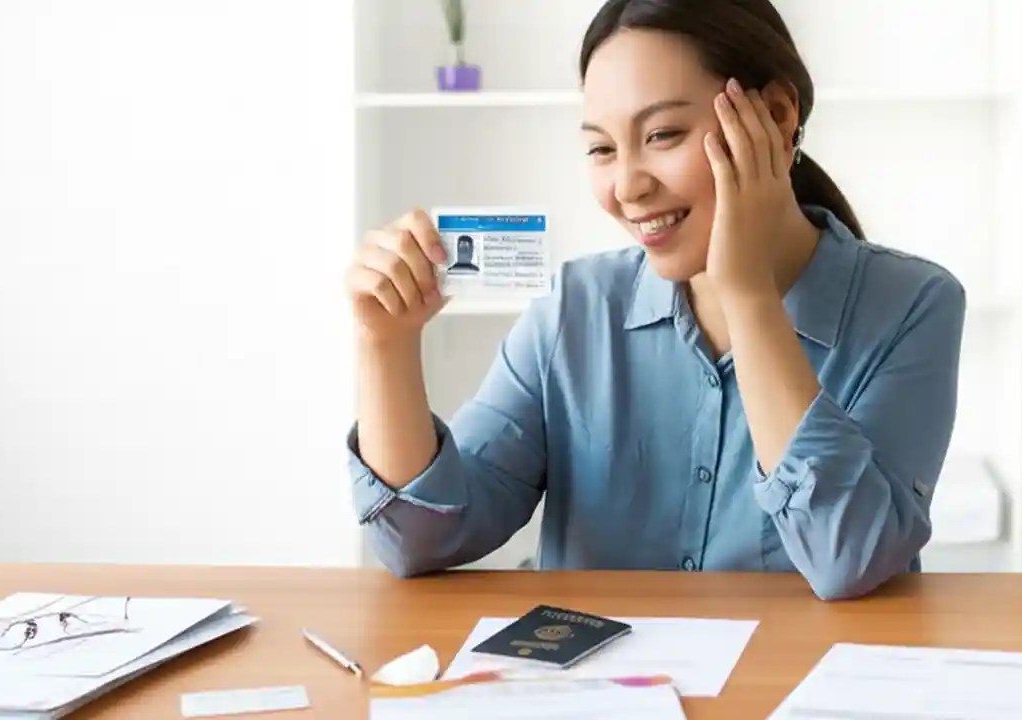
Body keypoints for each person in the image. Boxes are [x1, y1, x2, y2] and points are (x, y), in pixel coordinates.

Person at [343, 0, 965, 601]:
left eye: (663, 134)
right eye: (602, 149)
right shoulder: (573, 312)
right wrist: (385, 343)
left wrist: (745, 292)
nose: (628, 187)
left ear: (776, 115)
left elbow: (848, 558)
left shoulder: (913, 306)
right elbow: (420, 540)